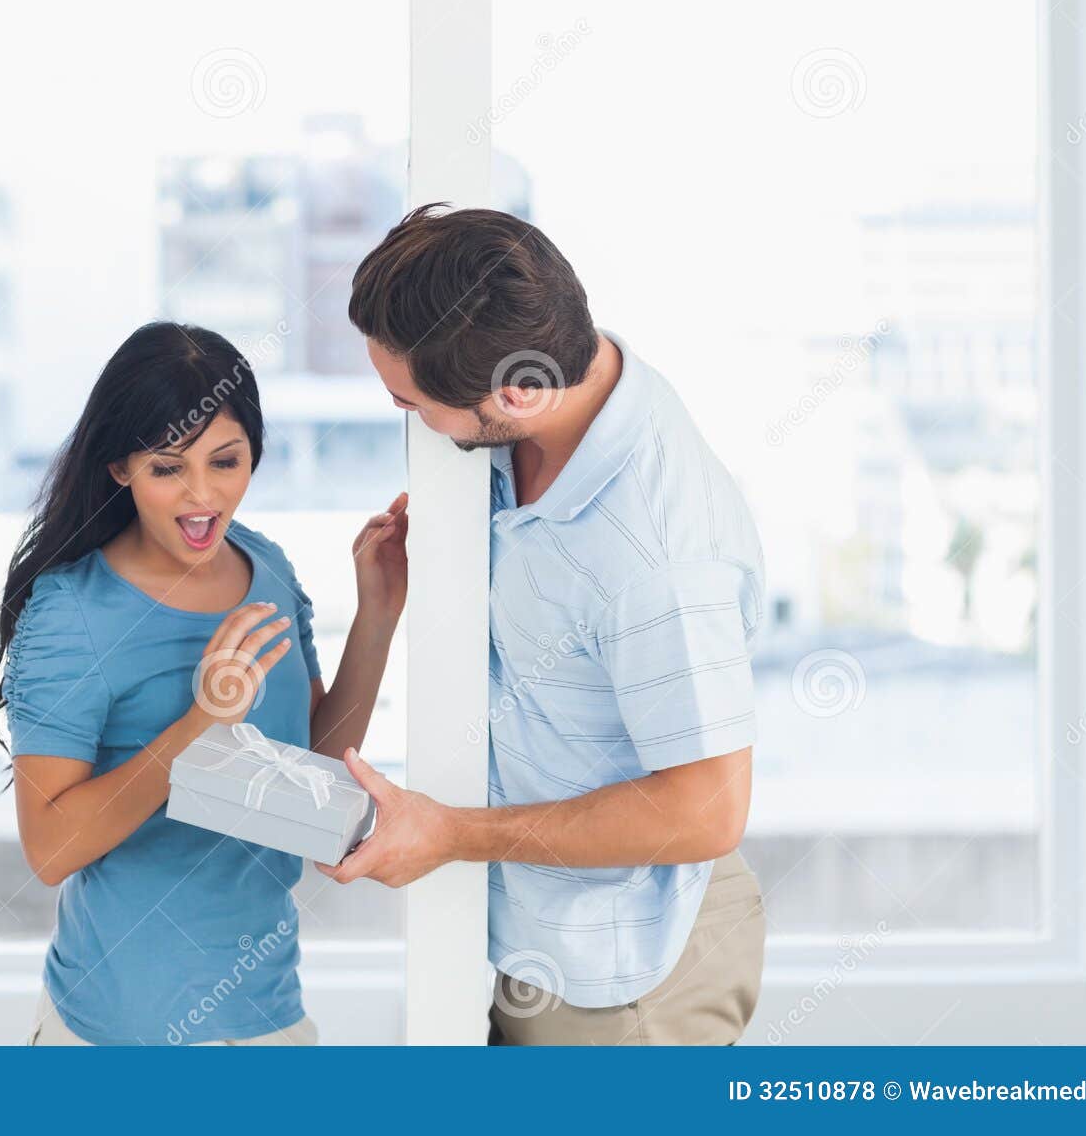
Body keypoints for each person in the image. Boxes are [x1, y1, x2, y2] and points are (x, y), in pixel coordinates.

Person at [319, 204, 767, 1045]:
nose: (406, 418)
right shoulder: (552, 391)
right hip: (528, 936)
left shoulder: (657, 556)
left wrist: (450, 833)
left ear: (516, 395)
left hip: (626, 971)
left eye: (412, 402)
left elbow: (707, 809)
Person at [0, 321, 407, 1045]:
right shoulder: (73, 609)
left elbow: (316, 776)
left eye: (226, 460)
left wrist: (377, 614)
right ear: (121, 468)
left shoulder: (264, 564)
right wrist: (196, 727)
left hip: (268, 1014)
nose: (203, 494)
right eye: (168, 467)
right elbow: (49, 849)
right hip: (117, 1030)